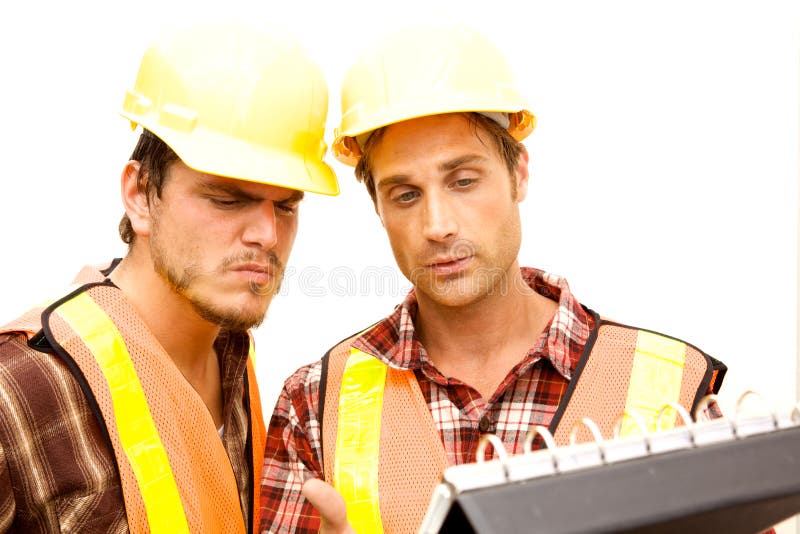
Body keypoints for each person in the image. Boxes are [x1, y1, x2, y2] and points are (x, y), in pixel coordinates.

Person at [259, 25, 728, 534]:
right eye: (405, 194)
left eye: (463, 181)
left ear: (519, 174)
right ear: (377, 205)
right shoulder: (315, 406)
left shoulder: (671, 389)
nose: (438, 225)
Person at [0, 21, 338, 533]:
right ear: (140, 195)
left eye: (287, 206)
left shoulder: (233, 359)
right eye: (227, 199)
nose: (267, 234)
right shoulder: (20, 389)